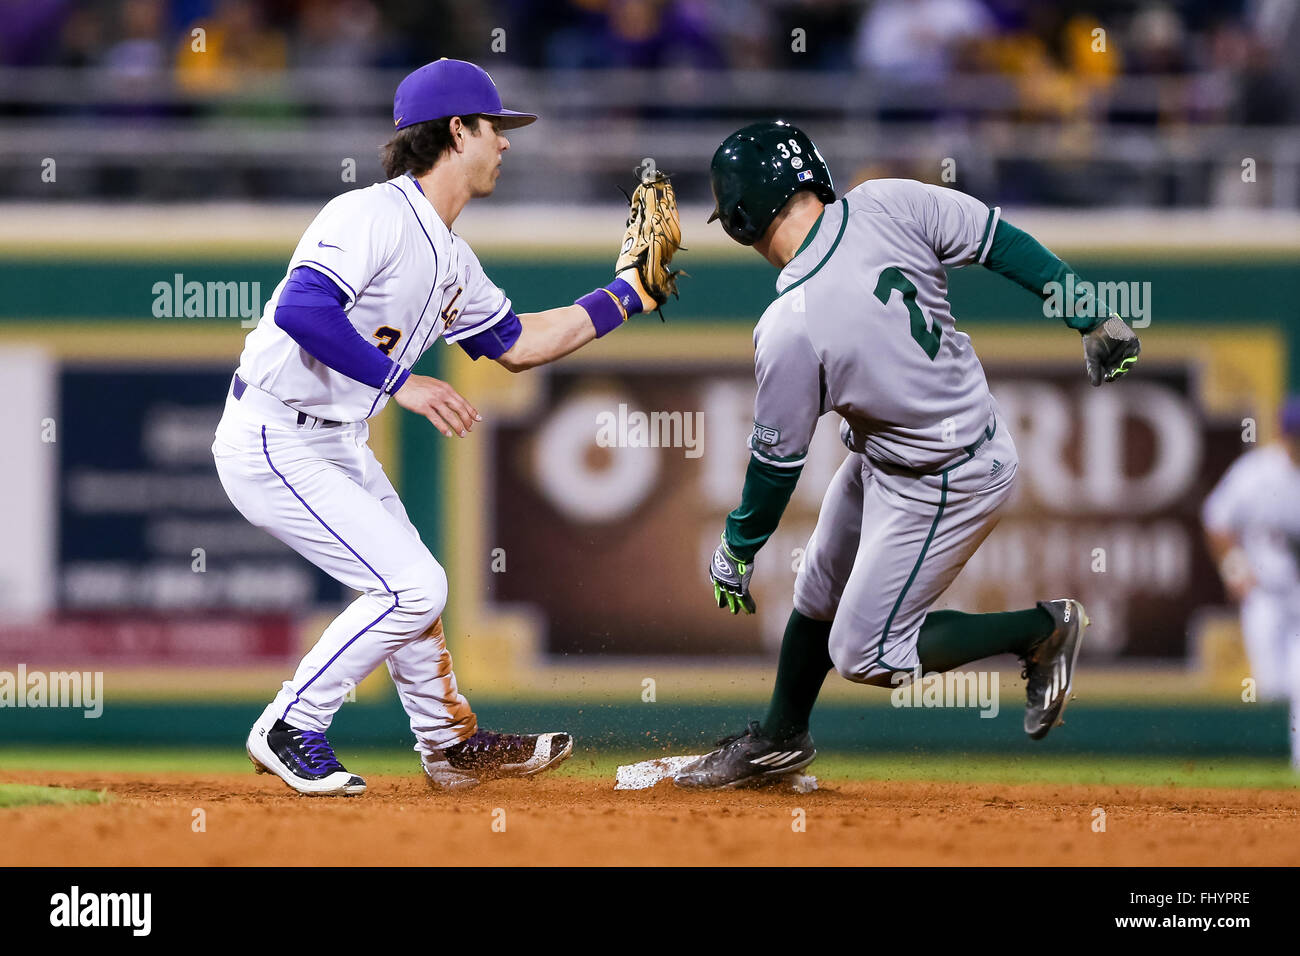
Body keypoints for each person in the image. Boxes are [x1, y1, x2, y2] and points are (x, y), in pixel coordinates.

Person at [213, 59, 665, 795]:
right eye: (496, 129)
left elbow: (519, 343)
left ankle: (450, 747)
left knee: (415, 586)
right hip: (273, 435)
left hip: (331, 439)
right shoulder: (372, 215)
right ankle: (291, 723)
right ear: (457, 130)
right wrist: (401, 382)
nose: (507, 145)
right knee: (412, 588)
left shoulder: (451, 255)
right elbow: (301, 310)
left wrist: (629, 293)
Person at [676, 120, 1141, 789]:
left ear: (741, 219)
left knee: (864, 651)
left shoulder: (789, 324)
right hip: (895, 455)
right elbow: (1000, 243)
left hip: (948, 477)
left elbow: (777, 467)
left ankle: (1042, 630)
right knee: (817, 592)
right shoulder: (887, 201)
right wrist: (1092, 314)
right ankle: (779, 740)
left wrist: (737, 548)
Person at [1202, 398, 1300, 771]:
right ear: (1282, 434)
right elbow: (1217, 519)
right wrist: (1234, 567)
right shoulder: (1258, 473)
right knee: (1273, 685)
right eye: (1294, 435)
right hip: (1267, 595)